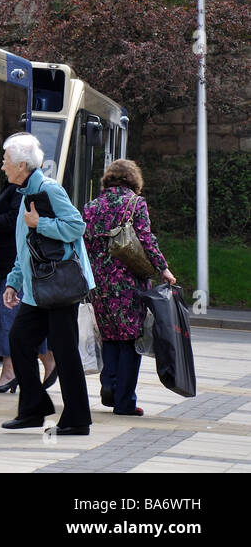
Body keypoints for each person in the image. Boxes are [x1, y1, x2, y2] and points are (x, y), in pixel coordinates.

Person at [0, 132, 96, 435]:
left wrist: (39, 223)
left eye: (6, 162)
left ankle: (78, 419)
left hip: (58, 288)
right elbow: (25, 245)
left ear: (22, 164)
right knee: (19, 340)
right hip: (37, 289)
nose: (3, 167)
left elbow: (76, 226)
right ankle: (34, 408)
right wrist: (14, 282)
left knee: (64, 352)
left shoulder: (48, 189)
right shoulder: (26, 192)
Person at [82, 159, 176, 417]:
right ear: (134, 180)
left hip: (98, 284)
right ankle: (124, 402)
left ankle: (109, 385)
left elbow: (84, 243)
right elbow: (146, 240)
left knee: (109, 336)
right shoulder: (135, 204)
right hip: (128, 283)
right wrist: (163, 269)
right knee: (130, 340)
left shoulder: (91, 206)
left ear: (108, 179)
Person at [0, 178, 56, 393]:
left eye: (6, 160)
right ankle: (47, 359)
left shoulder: (25, 188)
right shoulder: (16, 186)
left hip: (17, 263)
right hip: (13, 261)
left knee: (7, 315)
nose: (2, 166)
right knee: (20, 318)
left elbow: (14, 219)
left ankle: (10, 373)